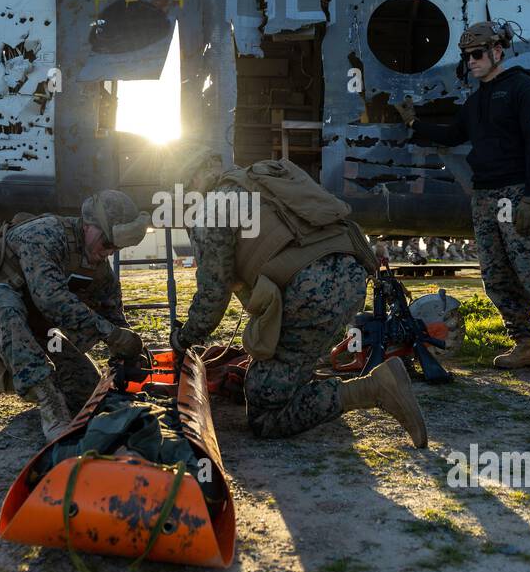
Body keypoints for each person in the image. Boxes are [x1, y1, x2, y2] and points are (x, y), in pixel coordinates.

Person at [167, 147, 427, 446]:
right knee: (282, 364)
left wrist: (183, 339)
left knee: (265, 412)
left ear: (192, 182)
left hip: (309, 295)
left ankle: (375, 388)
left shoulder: (212, 209)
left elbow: (213, 296)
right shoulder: (264, 178)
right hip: (351, 277)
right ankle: (300, 378)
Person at [396, 22, 530, 373]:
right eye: (466, 56)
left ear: (497, 52)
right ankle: (525, 344)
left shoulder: (524, 89)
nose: (471, 61)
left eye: (477, 54)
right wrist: (414, 124)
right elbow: (453, 133)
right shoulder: (477, 101)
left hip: (516, 192)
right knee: (496, 275)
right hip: (485, 196)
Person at [0, 191, 148, 440]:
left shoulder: (99, 269)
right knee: (1, 297)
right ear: (88, 226)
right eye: (107, 243)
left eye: (117, 247)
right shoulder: (43, 234)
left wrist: (129, 351)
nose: (110, 251)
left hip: (33, 335)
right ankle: (48, 401)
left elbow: (113, 314)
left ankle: (2, 376)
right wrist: (111, 335)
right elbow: (51, 300)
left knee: (86, 388)